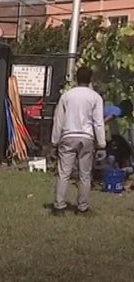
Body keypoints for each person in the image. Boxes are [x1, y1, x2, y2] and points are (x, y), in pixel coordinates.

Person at [51, 65, 106, 215]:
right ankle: (82, 207)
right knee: (85, 174)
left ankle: (59, 206)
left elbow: (59, 120)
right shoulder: (95, 97)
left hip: (68, 135)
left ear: (76, 78)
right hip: (86, 137)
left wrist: (55, 140)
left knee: (64, 172)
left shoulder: (67, 96)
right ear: (90, 79)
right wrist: (101, 143)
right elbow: (98, 122)